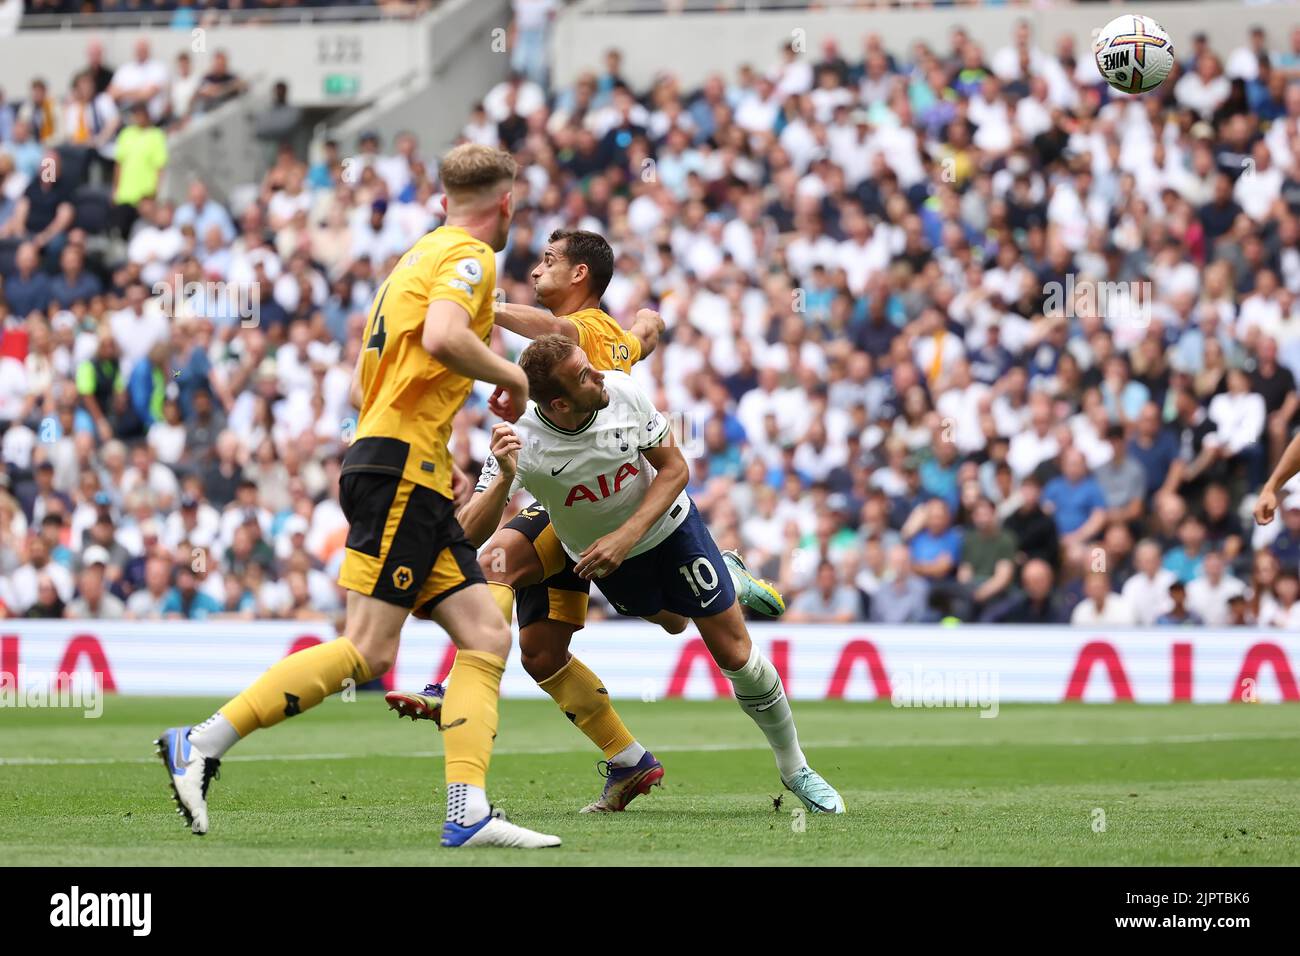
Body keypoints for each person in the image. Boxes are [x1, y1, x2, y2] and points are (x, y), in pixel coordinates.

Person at [155, 144, 563, 850]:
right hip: (401, 471)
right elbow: (443, 336)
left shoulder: (415, 260)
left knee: (486, 635)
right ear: (504, 205)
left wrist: (436, 447)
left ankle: (468, 809)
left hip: (406, 467)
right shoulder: (470, 256)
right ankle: (201, 740)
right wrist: (517, 380)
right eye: (515, 207)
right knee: (369, 649)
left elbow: (358, 387)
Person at [385, 229, 784, 811]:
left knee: (494, 561)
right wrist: (649, 325)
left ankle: (455, 684)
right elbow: (644, 334)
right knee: (565, 649)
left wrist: (480, 306)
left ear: (580, 277)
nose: (538, 268)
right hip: (580, 501)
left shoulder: (584, 329)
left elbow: (559, 332)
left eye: (550, 261)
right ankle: (629, 761)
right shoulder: (614, 341)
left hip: (585, 504)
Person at [447, 333, 844, 814]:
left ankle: (795, 767)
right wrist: (505, 478)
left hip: (670, 529)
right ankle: (731, 577)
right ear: (558, 403)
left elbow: (675, 470)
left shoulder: (623, 394)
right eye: (582, 376)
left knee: (736, 653)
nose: (598, 376)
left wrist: (624, 537)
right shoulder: (522, 439)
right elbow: (468, 534)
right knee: (675, 623)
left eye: (589, 366)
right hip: (608, 560)